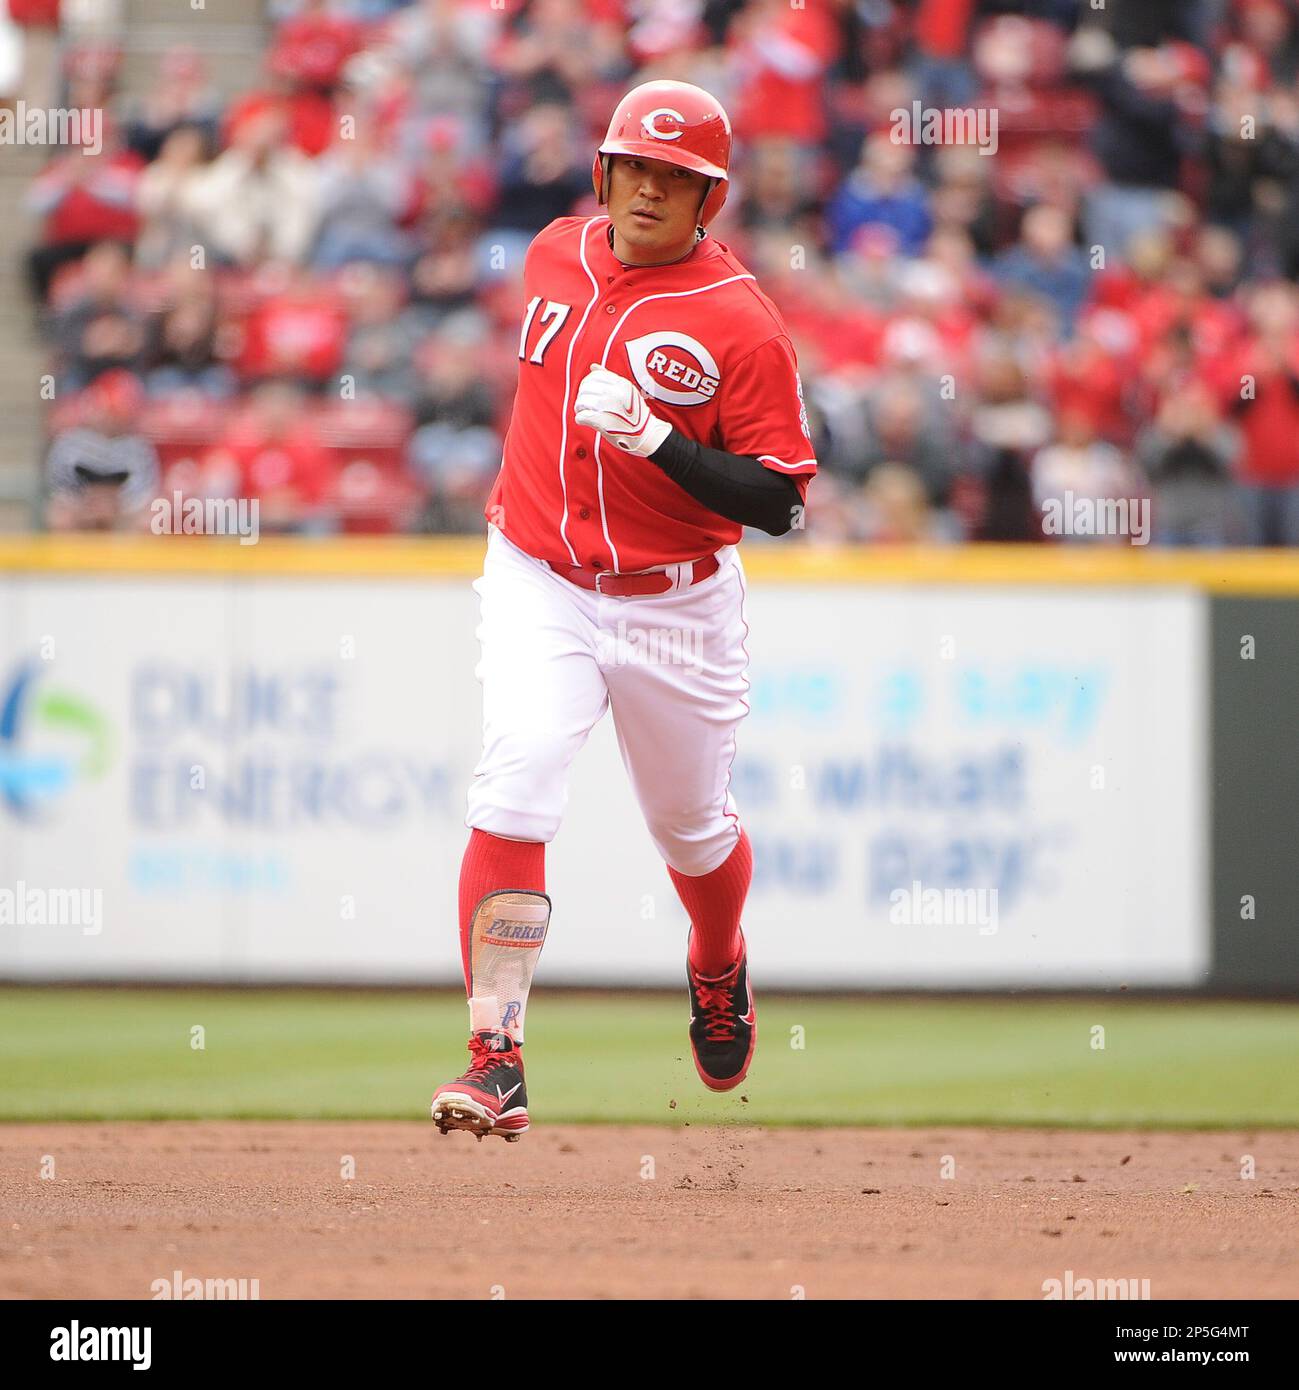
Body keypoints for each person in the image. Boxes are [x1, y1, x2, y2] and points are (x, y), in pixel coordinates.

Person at [431, 80, 817, 1142]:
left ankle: (717, 962)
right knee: (516, 781)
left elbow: (780, 500)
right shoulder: (556, 250)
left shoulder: (741, 322)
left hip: (675, 604)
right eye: (634, 167)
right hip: (538, 574)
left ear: (710, 198)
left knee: (691, 829)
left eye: (676, 176)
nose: (650, 188)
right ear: (604, 174)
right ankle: (494, 1055)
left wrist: (661, 442)